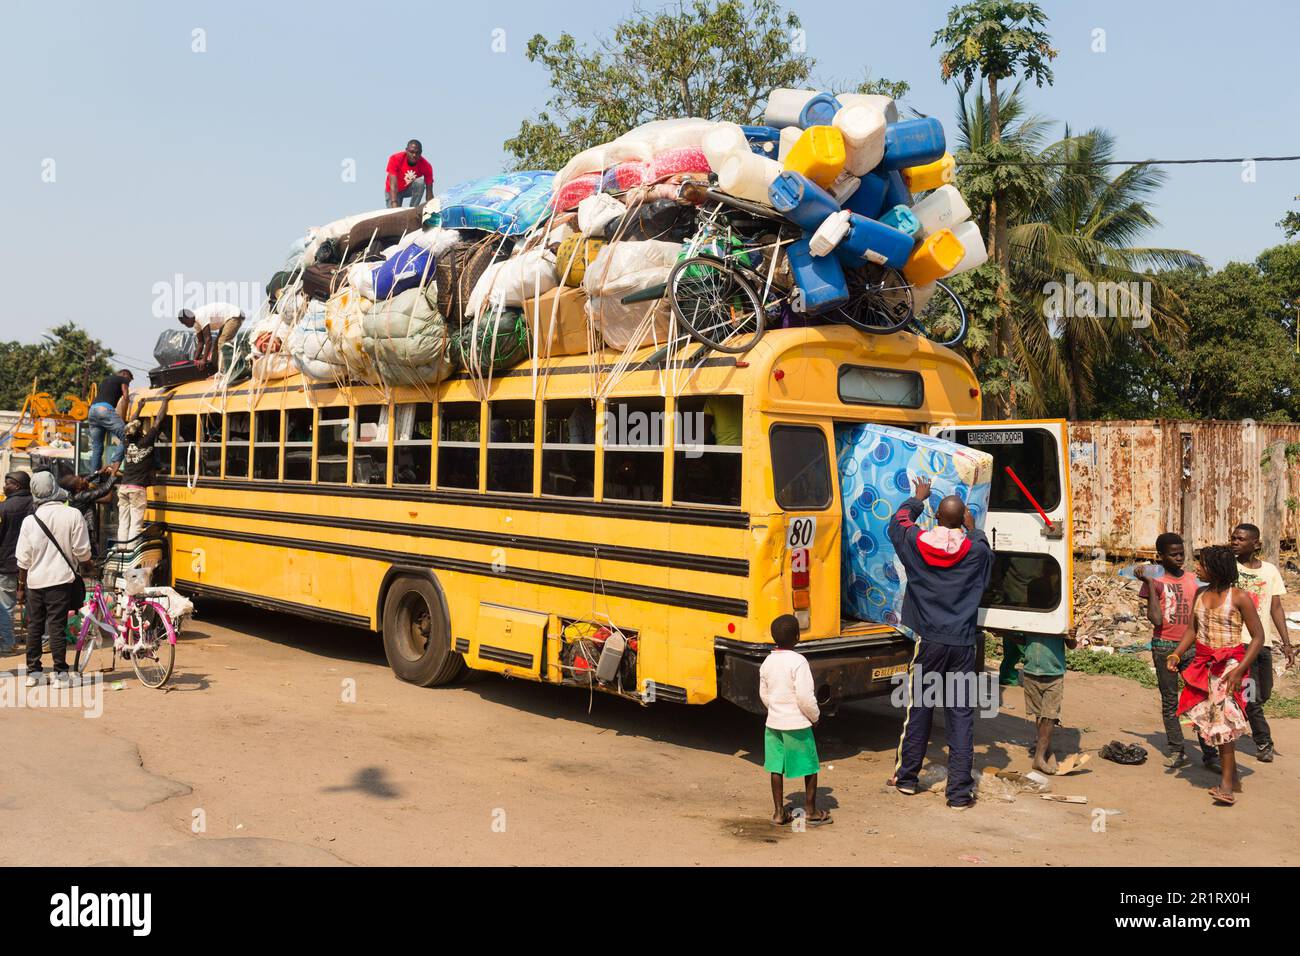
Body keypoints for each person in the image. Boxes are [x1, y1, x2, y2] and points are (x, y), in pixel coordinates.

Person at [887, 476, 994, 810]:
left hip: (929, 641)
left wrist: (918, 498)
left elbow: (898, 523)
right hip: (963, 644)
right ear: (962, 519)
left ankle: (907, 778)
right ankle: (959, 794)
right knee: (961, 715)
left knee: (920, 707)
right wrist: (973, 528)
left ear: (936, 518)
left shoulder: (917, 543)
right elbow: (987, 554)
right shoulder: (975, 550)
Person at [1168, 545, 1266, 805]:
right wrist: (1177, 654)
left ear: (1216, 569)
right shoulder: (1200, 593)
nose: (1197, 568)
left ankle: (1226, 787)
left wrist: (1240, 670)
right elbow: (1192, 629)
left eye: (1202, 564)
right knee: (1215, 723)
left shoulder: (1240, 597)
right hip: (1205, 666)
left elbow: (1258, 638)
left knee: (1223, 725)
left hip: (1229, 667)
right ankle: (1231, 777)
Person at [1136, 533, 1219, 771]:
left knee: (1200, 699)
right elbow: (1155, 618)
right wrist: (1151, 585)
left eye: (1182, 553)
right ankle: (1177, 749)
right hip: (1163, 646)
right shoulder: (1154, 581)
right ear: (1160, 556)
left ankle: (1210, 753)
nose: (1180, 558)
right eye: (1173, 554)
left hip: (1192, 647)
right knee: (1170, 701)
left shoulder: (1195, 580)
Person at [15, 471, 92, 686]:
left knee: (34, 627)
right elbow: (83, 552)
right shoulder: (73, 515)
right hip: (61, 581)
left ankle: (34, 673)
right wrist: (88, 565)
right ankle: (60, 674)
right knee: (57, 626)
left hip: (35, 582)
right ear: (55, 488)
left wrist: (21, 586)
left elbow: (23, 560)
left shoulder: (30, 521)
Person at [1228, 523, 1295, 763]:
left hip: (1261, 643)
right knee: (1253, 696)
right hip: (1237, 643)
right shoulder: (1228, 568)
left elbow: (1275, 607)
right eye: (1233, 537)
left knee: (1263, 692)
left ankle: (1236, 711)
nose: (1235, 541)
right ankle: (1264, 742)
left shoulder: (1269, 571)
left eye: (1241, 539)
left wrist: (1286, 644)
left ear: (1256, 544)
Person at [759, 614, 831, 826]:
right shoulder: (799, 662)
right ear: (798, 637)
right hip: (797, 723)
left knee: (775, 766)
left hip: (773, 723)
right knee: (809, 766)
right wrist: (814, 716)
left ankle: (779, 813)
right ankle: (810, 811)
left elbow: (764, 694)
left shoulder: (767, 661)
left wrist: (775, 710)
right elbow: (805, 697)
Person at [115, 394, 171, 548]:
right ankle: (131, 550)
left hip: (124, 487)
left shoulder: (126, 442)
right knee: (136, 523)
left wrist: (139, 407)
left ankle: (121, 549)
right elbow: (159, 420)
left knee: (123, 522)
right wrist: (165, 401)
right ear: (139, 431)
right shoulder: (146, 441)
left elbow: (132, 421)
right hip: (137, 488)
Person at [0, 471, 34, 654]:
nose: (4, 486)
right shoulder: (37, 505)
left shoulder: (3, 508)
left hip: (7, 565)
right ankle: (38, 642)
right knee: (35, 606)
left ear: (18, 486)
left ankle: (7, 644)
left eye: (8, 483)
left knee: (6, 607)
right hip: (32, 565)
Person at [59, 471, 119, 558]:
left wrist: (99, 472)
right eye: (81, 480)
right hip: (87, 528)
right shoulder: (82, 496)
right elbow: (104, 490)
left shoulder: (73, 494)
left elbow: (87, 479)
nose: (84, 480)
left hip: (85, 527)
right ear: (78, 488)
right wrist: (112, 475)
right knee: (91, 551)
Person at [178, 303, 245, 373]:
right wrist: (194, 361)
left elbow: (208, 340)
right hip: (227, 320)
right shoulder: (196, 324)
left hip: (234, 316)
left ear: (189, 317)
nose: (186, 325)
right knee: (216, 346)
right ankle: (216, 370)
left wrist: (203, 360)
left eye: (185, 323)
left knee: (222, 342)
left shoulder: (200, 315)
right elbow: (200, 342)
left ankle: (225, 372)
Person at [88, 369, 133, 473]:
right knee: (127, 435)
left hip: (92, 411)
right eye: (129, 381)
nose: (128, 383)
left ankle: (94, 480)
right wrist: (124, 418)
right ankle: (114, 464)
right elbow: (126, 396)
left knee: (97, 447)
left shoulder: (105, 380)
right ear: (125, 375)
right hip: (104, 410)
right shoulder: (123, 379)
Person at [385, 139, 434, 208]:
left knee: (420, 182)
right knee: (394, 214)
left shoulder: (426, 166)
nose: (414, 155)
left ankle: (413, 209)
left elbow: (429, 191)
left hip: (407, 189)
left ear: (421, 153)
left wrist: (431, 208)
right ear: (406, 150)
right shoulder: (395, 159)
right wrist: (394, 203)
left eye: (417, 153)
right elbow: (393, 185)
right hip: (393, 190)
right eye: (411, 152)